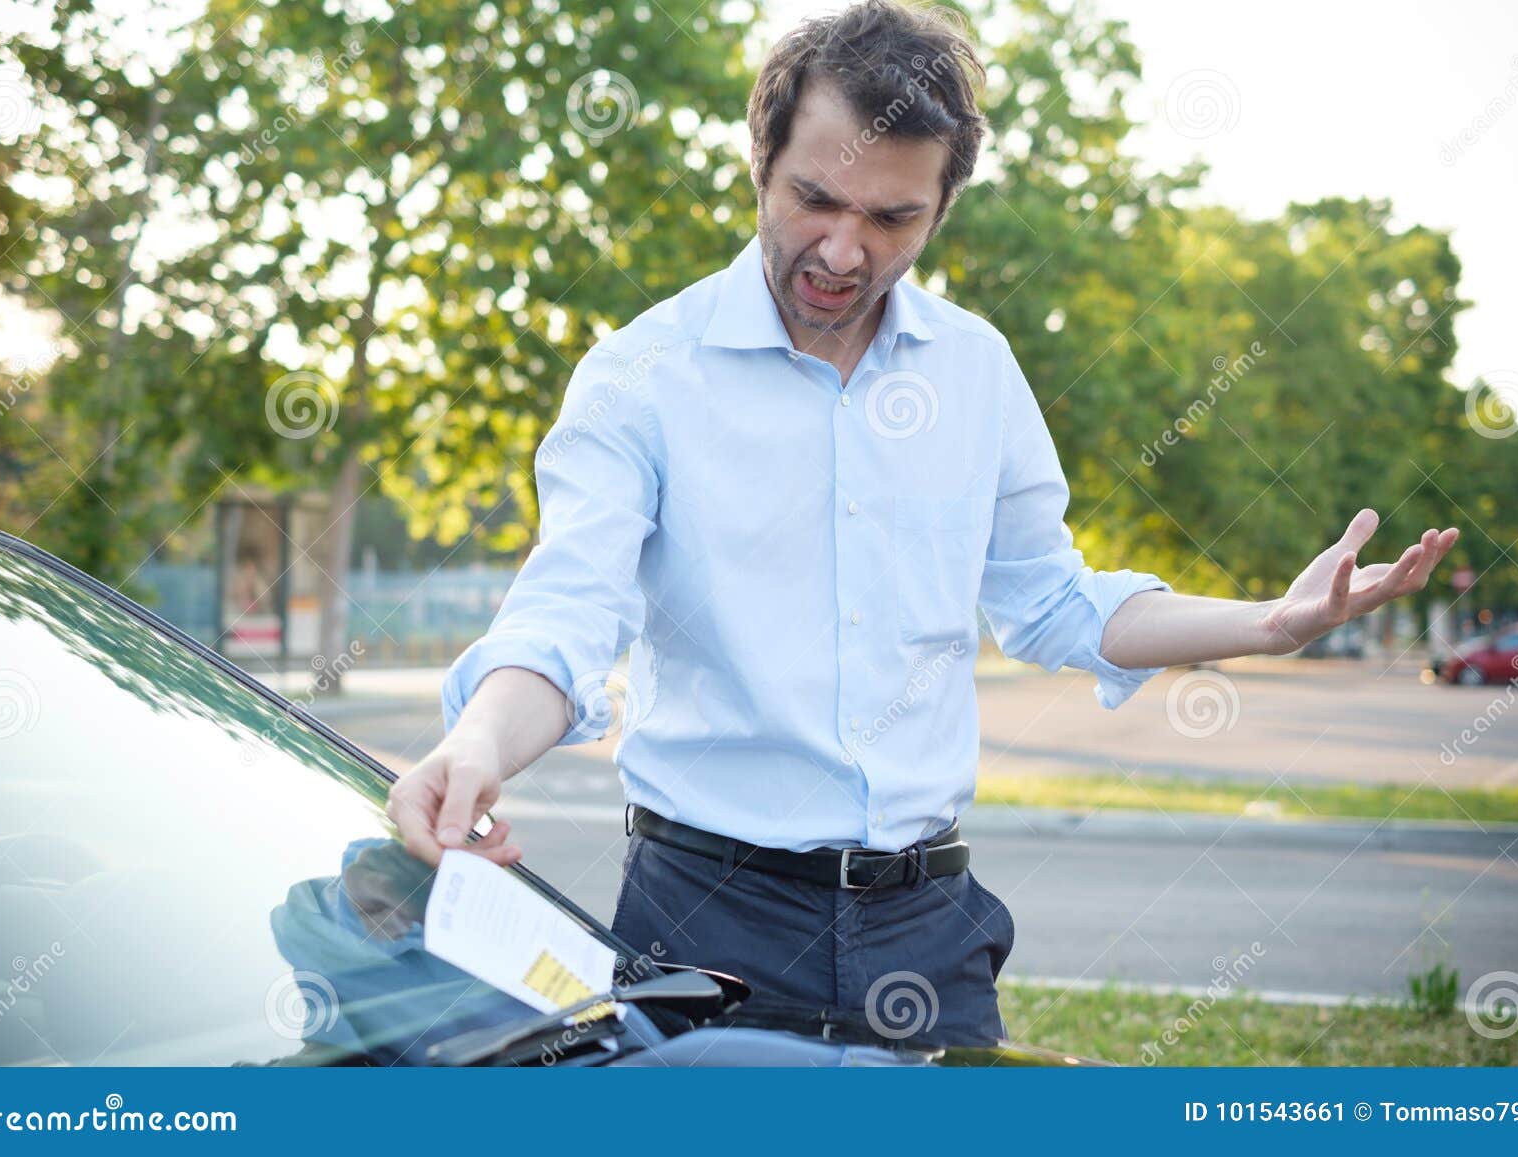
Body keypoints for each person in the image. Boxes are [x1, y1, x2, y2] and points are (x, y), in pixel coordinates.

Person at [388, 0, 1459, 1044]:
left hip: (926, 929)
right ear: (760, 164)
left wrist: (1269, 623)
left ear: (941, 208)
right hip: (701, 918)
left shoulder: (976, 369)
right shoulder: (639, 376)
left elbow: (1049, 599)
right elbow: (570, 609)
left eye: (892, 217)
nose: (844, 251)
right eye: (816, 199)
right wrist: (477, 740)